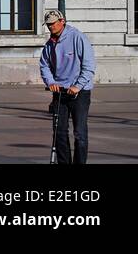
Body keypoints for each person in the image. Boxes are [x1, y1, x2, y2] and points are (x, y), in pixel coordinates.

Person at [39, 9, 95, 164]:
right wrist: (50, 82)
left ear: (62, 21)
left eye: (53, 24)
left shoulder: (77, 37)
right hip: (60, 92)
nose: (51, 27)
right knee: (59, 133)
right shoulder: (50, 43)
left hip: (80, 93)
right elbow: (44, 65)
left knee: (80, 134)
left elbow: (89, 66)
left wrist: (78, 85)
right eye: (48, 25)